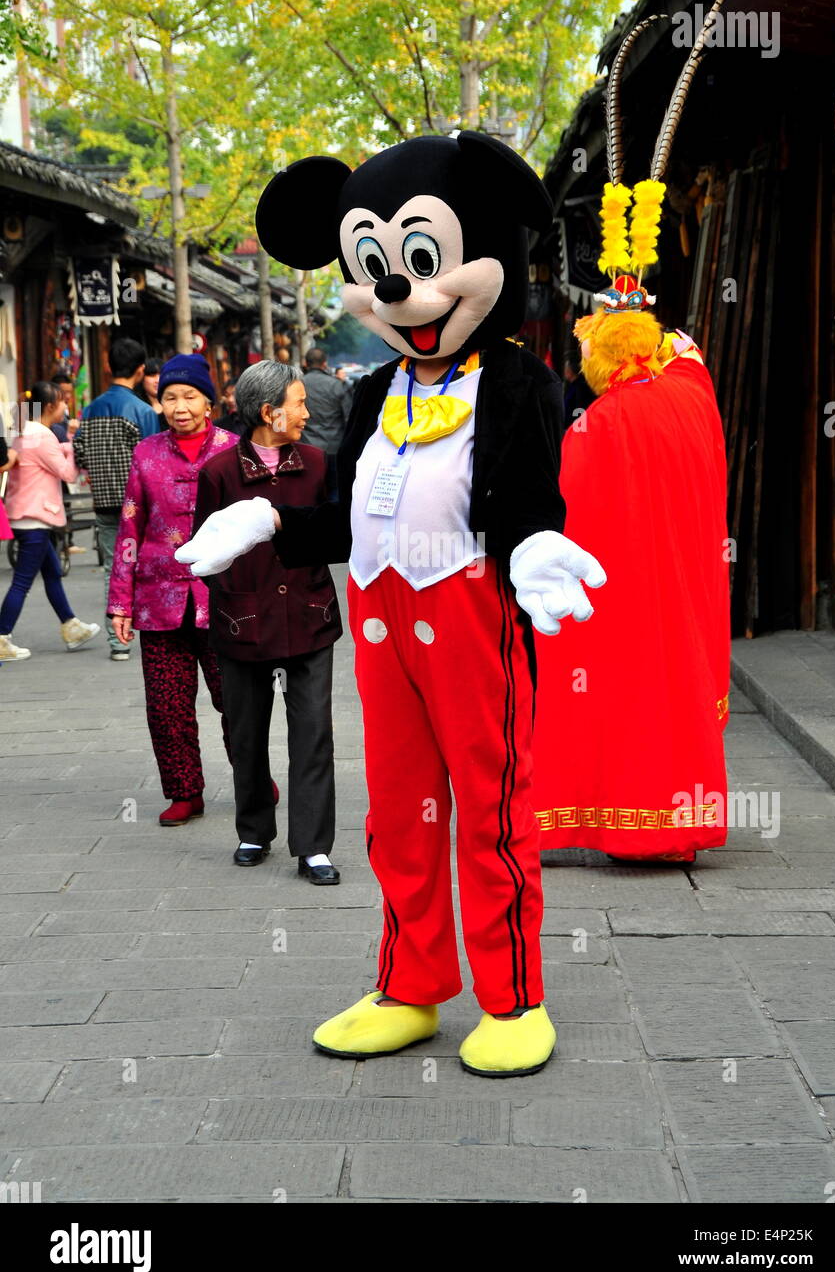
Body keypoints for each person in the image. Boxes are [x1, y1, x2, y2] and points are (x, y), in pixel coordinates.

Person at [179, 132, 606, 1078]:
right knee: (400, 813)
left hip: (469, 612)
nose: (400, 292)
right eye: (377, 270)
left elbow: (531, 492)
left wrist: (533, 545)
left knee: (489, 805)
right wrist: (268, 524)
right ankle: (411, 985)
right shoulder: (373, 392)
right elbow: (341, 514)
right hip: (379, 620)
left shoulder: (517, 381)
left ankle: (512, 997)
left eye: (420, 261)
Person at [532, 2, 730, 865]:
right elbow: (686, 375)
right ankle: (675, 826)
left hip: (623, 587)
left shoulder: (601, 423)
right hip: (681, 578)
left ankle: (612, 818)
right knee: (670, 690)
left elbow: (563, 503)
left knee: (612, 687)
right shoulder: (691, 386)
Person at [194, 360, 342, 877]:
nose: (306, 412)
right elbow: (203, 550)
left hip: (309, 616)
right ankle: (254, 831)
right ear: (268, 412)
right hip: (243, 620)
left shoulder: (320, 464)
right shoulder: (218, 473)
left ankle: (314, 845)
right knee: (247, 732)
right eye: (298, 404)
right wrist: (232, 594)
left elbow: (335, 534)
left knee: (313, 732)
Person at [107, 354, 236, 825]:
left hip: (222, 597)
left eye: (189, 396)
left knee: (236, 700)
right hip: (158, 598)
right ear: (158, 402)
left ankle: (253, 777)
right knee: (166, 705)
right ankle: (185, 791)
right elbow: (129, 528)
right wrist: (120, 602)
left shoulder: (233, 449)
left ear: (209, 401)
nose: (179, 406)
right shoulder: (146, 453)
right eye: (169, 397)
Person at [0, 381, 101, 662]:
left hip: (26, 514)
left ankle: (71, 625)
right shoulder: (43, 436)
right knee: (22, 581)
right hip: (35, 517)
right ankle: (1, 635)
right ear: (49, 406)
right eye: (63, 401)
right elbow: (68, 474)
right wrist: (70, 445)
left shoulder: (24, 430)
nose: (66, 406)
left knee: (52, 572)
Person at [74, 338, 162, 660]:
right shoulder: (141, 410)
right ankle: (154, 627)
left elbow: (80, 451)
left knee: (116, 568)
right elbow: (154, 460)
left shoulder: (90, 409)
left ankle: (118, 641)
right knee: (148, 565)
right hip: (139, 505)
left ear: (109, 367)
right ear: (141, 370)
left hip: (104, 502)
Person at [301, 347, 352, 503]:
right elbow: (349, 418)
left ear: (305, 363)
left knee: (308, 493)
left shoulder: (297, 385)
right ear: (325, 364)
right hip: (334, 448)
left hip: (305, 447)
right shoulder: (337, 385)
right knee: (335, 491)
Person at [135, 359, 167, 429]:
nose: (158, 380)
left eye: (161, 375)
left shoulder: (173, 405)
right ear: (142, 378)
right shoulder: (136, 407)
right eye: (152, 375)